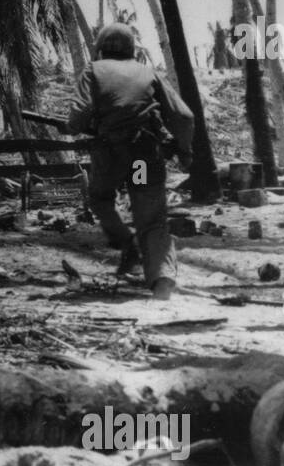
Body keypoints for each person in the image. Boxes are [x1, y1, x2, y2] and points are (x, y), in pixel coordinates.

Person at [67, 23, 194, 301]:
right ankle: (162, 280)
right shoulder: (148, 72)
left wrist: (74, 126)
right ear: (131, 49)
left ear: (100, 48)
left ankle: (128, 242)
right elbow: (184, 117)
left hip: (111, 156)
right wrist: (184, 151)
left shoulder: (93, 71)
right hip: (143, 158)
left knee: (101, 199)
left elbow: (78, 118)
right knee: (152, 219)